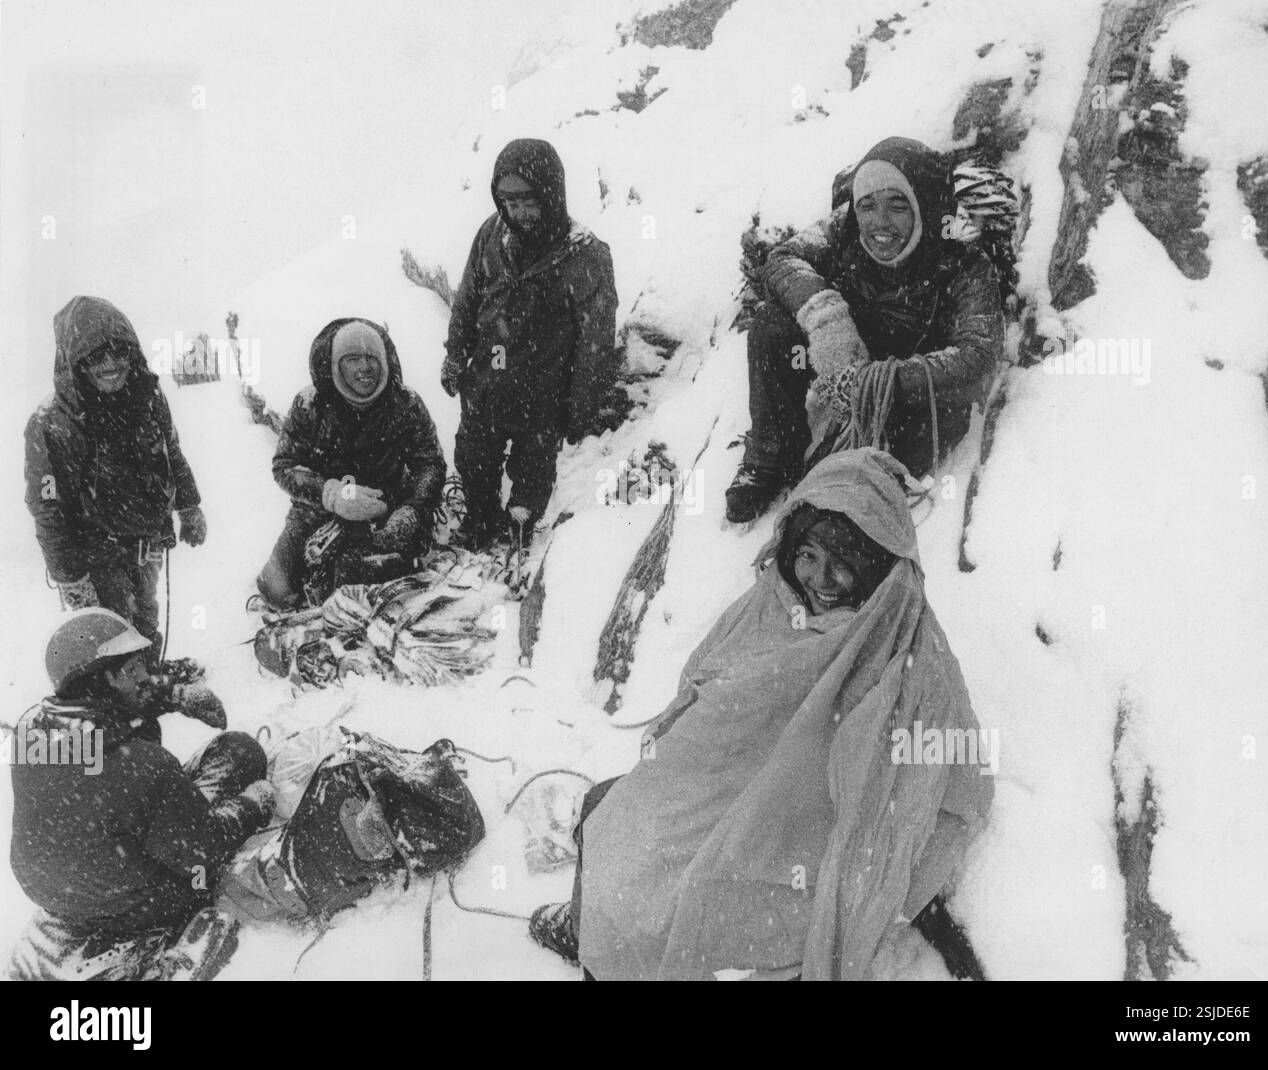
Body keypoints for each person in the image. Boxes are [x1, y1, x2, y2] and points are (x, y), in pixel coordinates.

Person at [530, 449, 994, 980]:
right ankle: (589, 937)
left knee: (679, 894)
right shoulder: (774, 602)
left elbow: (952, 785)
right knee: (605, 816)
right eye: (810, 554)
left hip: (798, 855)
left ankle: (606, 954)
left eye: (845, 561)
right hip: (730, 798)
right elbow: (710, 695)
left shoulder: (906, 651)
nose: (823, 579)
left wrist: (871, 874)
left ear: (877, 563)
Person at [725, 137, 1005, 523]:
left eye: (898, 204)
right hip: (852, 351)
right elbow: (783, 259)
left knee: (851, 484)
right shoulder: (844, 227)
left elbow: (978, 357)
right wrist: (828, 322)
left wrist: (878, 383)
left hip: (911, 390)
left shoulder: (961, 262)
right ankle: (772, 457)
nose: (880, 222)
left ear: (924, 205)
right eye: (868, 205)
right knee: (772, 326)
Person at [7, 609, 275, 981]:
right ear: (105, 679)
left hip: (51, 891)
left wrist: (171, 696)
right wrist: (250, 806)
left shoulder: (30, 732)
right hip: (140, 904)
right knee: (239, 752)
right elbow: (202, 851)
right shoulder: (143, 767)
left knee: (136, 806)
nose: (146, 677)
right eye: (132, 670)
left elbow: (102, 726)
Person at [441, 138, 619, 549]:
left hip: (541, 393)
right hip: (485, 382)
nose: (517, 213)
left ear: (551, 194)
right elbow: (468, 298)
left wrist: (579, 409)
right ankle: (481, 520)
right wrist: (455, 355)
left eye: (528, 201)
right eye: (507, 202)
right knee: (472, 458)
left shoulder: (586, 256)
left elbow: (595, 344)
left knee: (533, 471)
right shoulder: (492, 233)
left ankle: (520, 524)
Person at [25, 296, 207, 659]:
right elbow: (48, 511)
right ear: (76, 363)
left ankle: (148, 691)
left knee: (145, 630)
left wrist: (189, 506)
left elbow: (172, 452)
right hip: (95, 556)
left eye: (119, 351)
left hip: (148, 542)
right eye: (95, 356)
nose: (110, 364)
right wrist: (71, 580)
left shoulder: (147, 397)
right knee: (109, 650)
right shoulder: (51, 423)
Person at [256, 317, 446, 609]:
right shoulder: (310, 405)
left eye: (371, 358)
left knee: (383, 592)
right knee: (276, 591)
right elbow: (285, 466)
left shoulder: (406, 404)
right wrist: (331, 494)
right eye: (353, 359)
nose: (364, 367)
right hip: (318, 510)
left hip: (386, 506)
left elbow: (429, 464)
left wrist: (412, 510)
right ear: (336, 365)